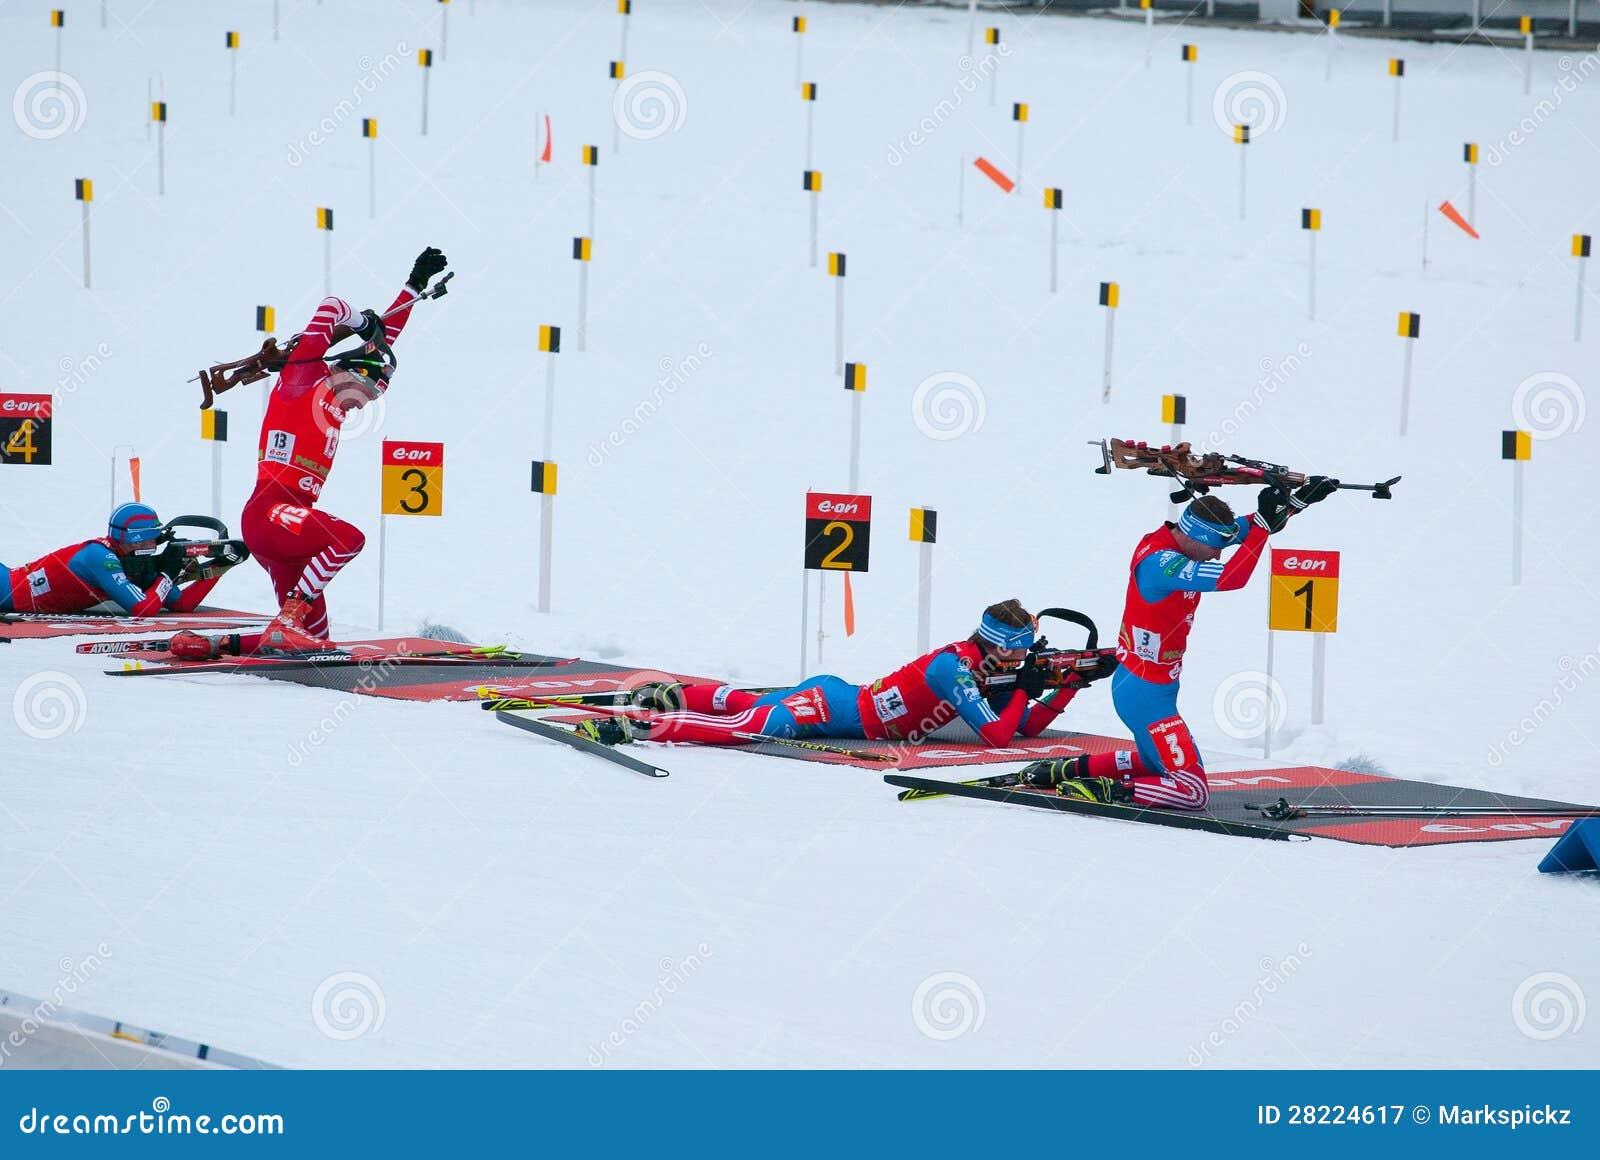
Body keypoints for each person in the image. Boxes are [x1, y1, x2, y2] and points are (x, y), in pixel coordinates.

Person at [169, 247, 449, 658]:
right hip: (270, 513)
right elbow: (331, 307)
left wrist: (413, 287)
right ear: (351, 369)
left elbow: (381, 341)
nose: (362, 404)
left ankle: (219, 643)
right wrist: (363, 322)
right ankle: (286, 620)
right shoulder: (305, 374)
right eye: (366, 392)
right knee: (350, 538)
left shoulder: (336, 394)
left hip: (288, 531)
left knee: (316, 643)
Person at [1019, 478, 1339, 808]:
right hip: (1144, 694)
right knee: (1193, 792)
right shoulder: (1160, 564)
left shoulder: (1189, 540)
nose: (1218, 553)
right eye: (1216, 546)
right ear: (1195, 536)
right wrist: (1260, 524)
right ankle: (1110, 792)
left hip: (1149, 686)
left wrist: (1298, 502)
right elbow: (1233, 577)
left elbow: (1253, 528)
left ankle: (1070, 769)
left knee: (1154, 763)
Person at [579, 599, 1107, 750]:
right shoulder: (957, 670)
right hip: (834, 710)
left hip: (841, 699)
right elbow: (997, 735)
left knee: (745, 706)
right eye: (1020, 656)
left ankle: (671, 694)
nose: (1024, 664)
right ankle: (640, 726)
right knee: (747, 726)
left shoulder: (981, 667)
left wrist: (1063, 690)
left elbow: (1026, 730)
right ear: (1001, 649)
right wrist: (1024, 688)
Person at [1, 503, 234, 617]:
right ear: (136, 540)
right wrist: (167, 574)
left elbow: (181, 604)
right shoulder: (101, 558)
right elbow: (142, 609)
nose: (157, 544)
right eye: (154, 537)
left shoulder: (130, 560)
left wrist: (221, 566)